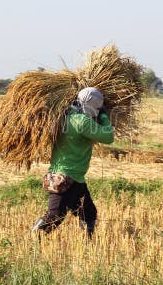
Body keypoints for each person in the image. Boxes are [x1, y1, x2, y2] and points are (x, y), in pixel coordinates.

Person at [31, 87, 114, 238]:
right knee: (55, 215)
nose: (97, 110)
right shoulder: (82, 121)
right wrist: (103, 116)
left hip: (69, 176)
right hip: (67, 177)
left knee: (88, 212)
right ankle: (33, 237)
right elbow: (108, 136)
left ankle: (87, 242)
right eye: (96, 108)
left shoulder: (65, 116)